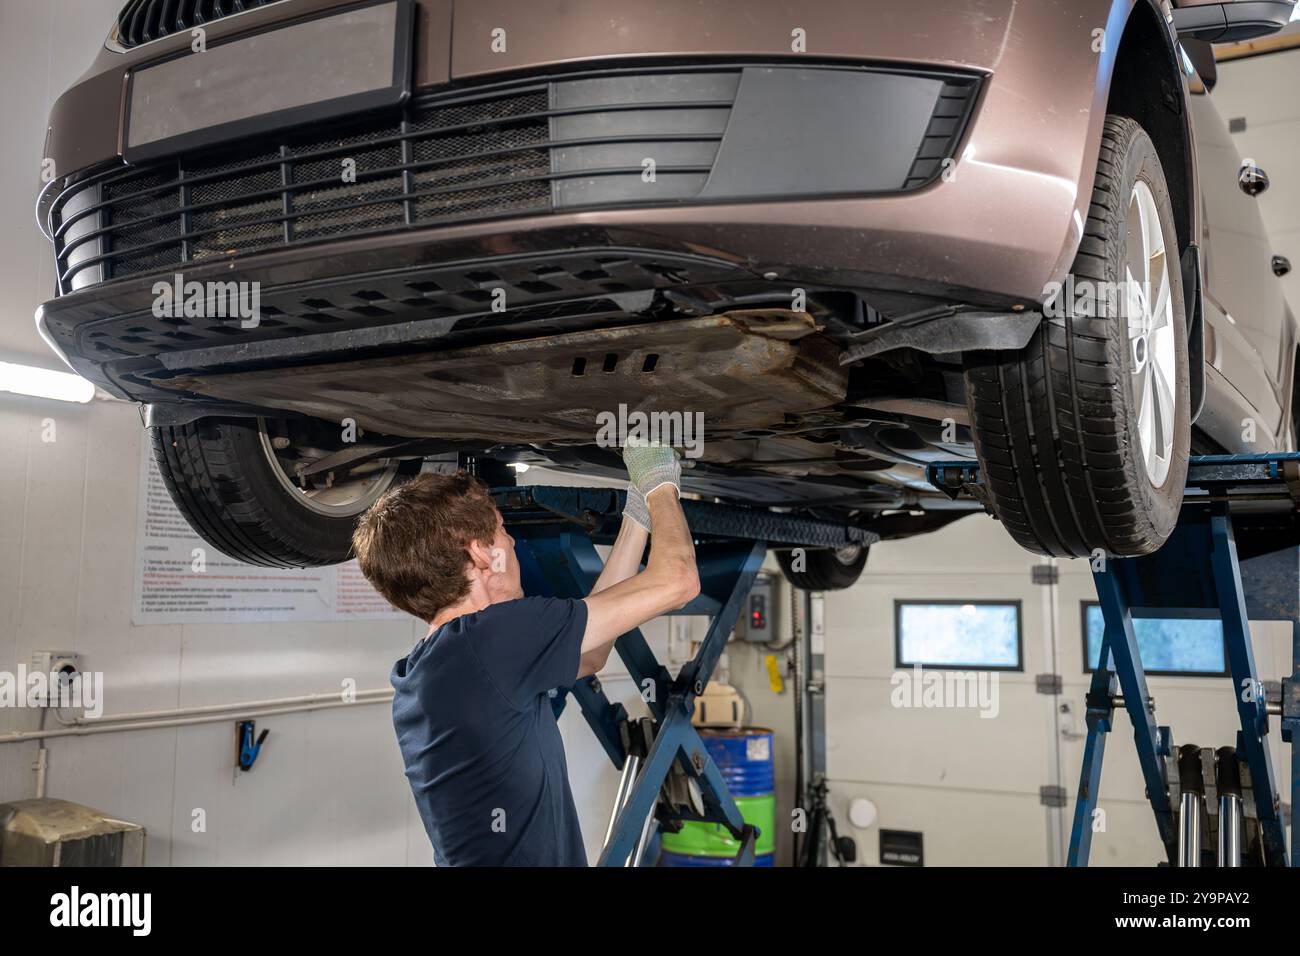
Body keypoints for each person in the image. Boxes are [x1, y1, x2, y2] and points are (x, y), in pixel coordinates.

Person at [351, 445, 698, 866]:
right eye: (501, 529)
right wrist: (659, 479)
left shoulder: (433, 665)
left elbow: (592, 655)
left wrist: (638, 513)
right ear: (480, 553)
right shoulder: (489, 641)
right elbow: (679, 580)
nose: (513, 540)